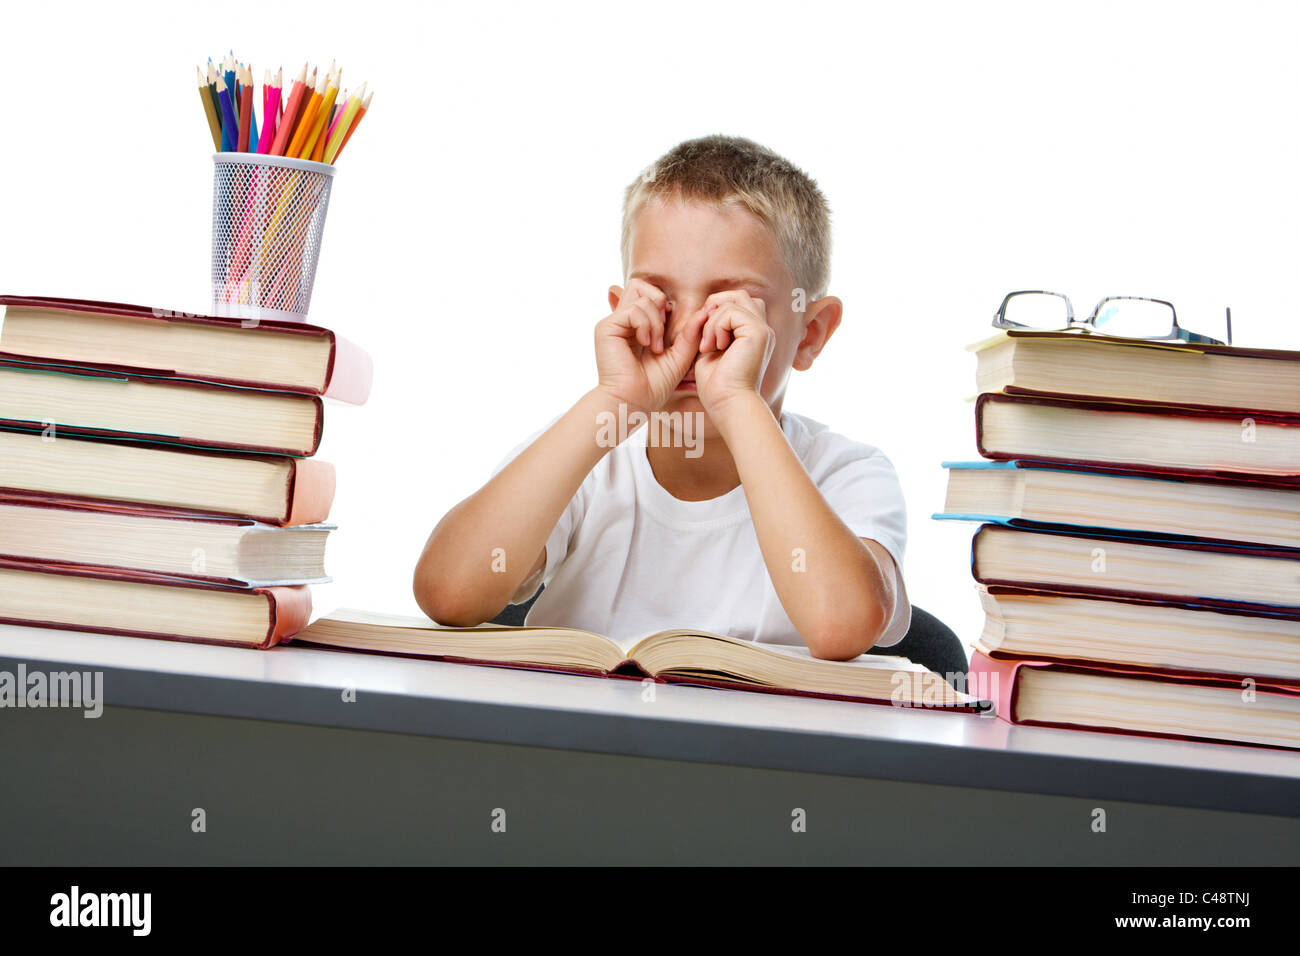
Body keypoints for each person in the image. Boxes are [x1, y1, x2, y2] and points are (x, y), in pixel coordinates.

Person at [414, 134, 910, 661]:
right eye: (661, 302)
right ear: (622, 307)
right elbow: (448, 592)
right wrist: (613, 400)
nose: (690, 337)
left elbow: (842, 625)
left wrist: (740, 402)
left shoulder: (848, 473)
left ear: (810, 333)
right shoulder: (585, 456)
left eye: (730, 305)